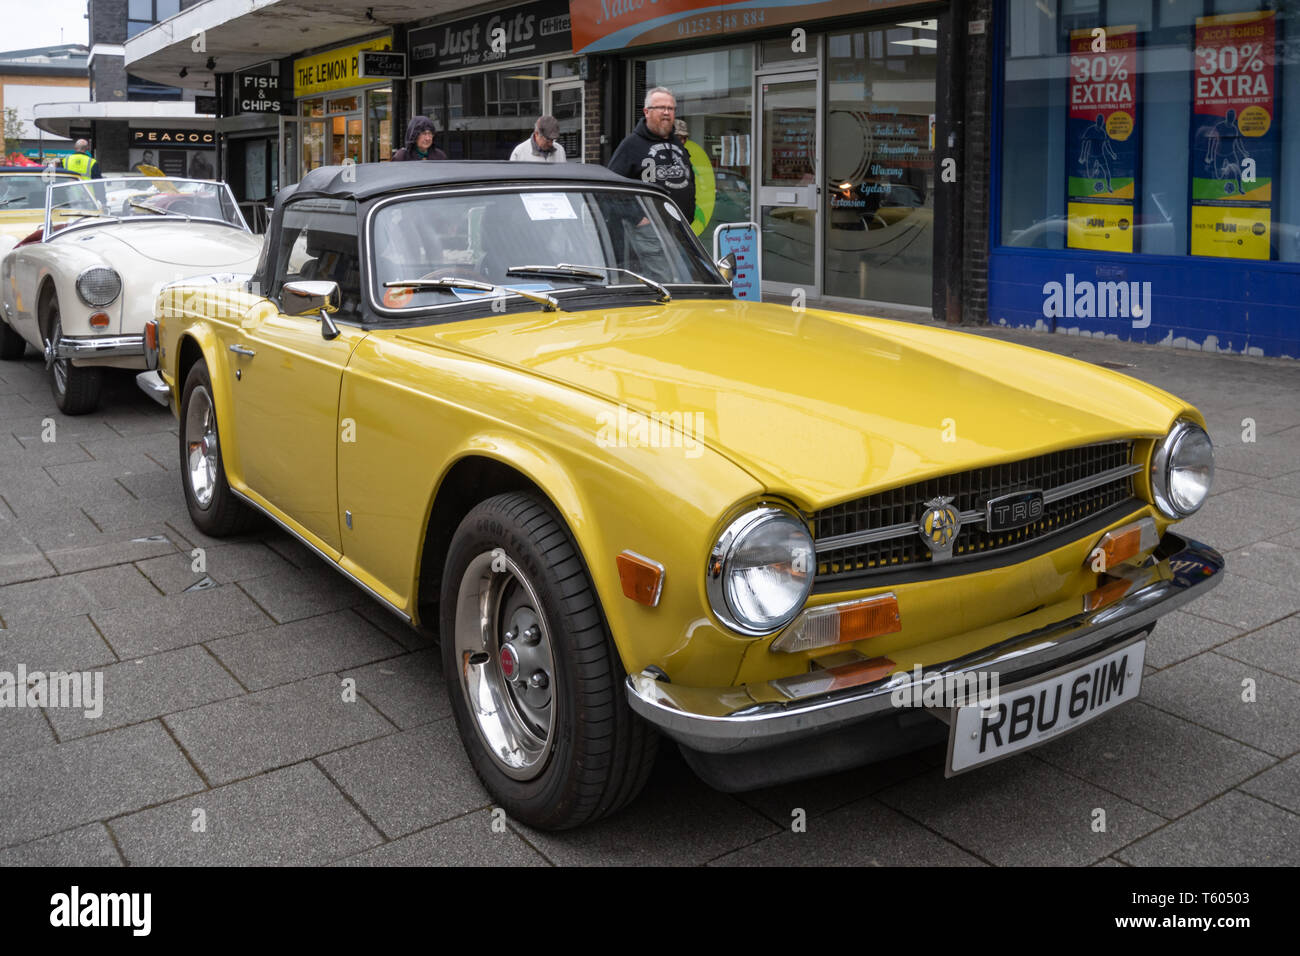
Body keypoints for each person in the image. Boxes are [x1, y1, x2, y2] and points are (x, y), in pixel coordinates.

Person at [607, 87, 695, 220]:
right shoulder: (631, 145)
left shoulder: (677, 144)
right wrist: (637, 218)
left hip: (680, 229)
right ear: (646, 112)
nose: (666, 112)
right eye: (661, 108)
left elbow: (689, 180)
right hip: (648, 233)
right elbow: (611, 190)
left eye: (670, 108)